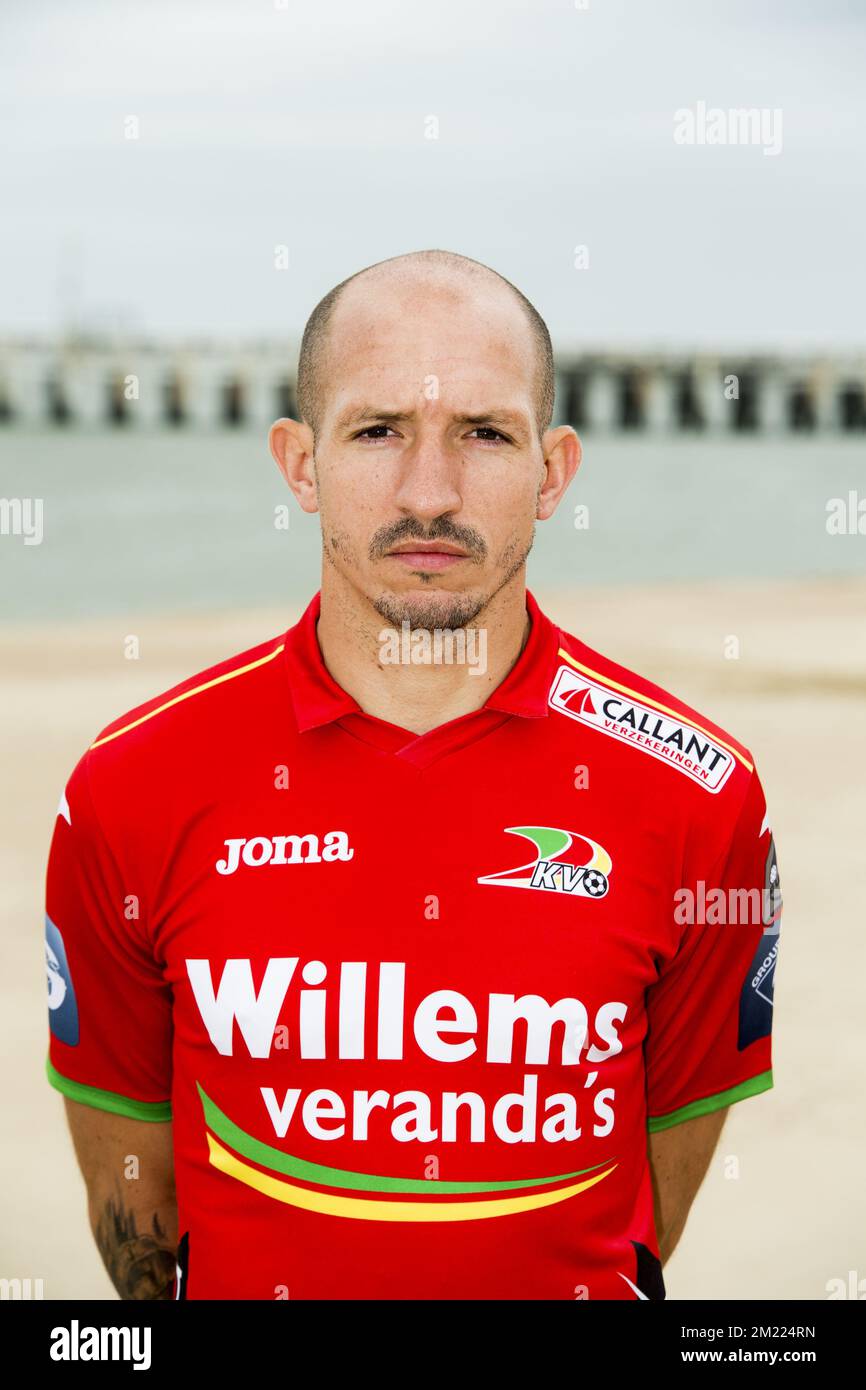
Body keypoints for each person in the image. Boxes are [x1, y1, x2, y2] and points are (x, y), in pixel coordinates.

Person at [44, 249, 780, 1300]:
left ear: (552, 470)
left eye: (483, 434)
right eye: (377, 430)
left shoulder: (701, 797)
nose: (427, 493)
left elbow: (648, 1200)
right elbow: (135, 1197)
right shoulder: (128, 787)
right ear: (299, 465)